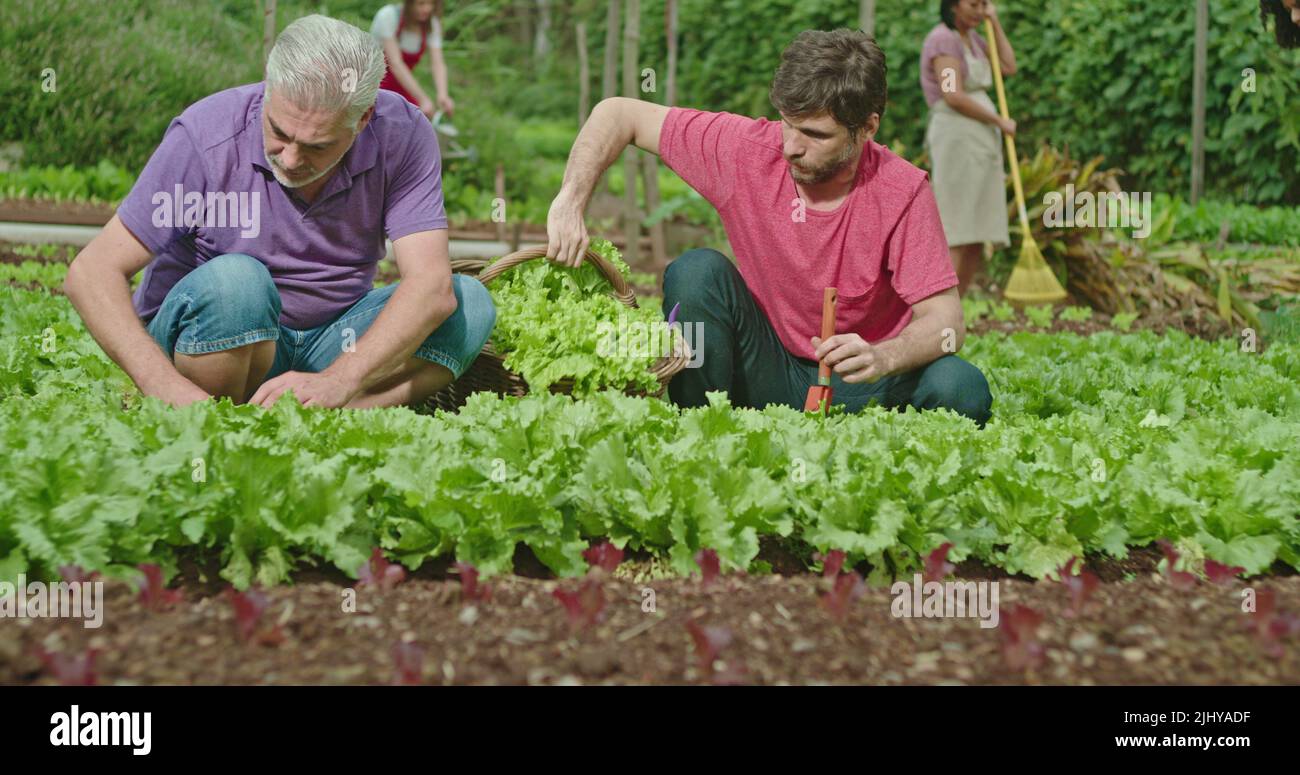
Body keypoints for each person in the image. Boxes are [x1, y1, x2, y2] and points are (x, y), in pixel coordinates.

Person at [544, 29, 994, 426]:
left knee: (960, 387)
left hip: (863, 385)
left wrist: (883, 356)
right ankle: (699, 430)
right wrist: (569, 200)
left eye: (816, 135)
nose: (792, 148)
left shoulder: (902, 190)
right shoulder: (746, 150)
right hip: (765, 369)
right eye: (788, 125)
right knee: (697, 272)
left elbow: (945, 320)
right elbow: (618, 112)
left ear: (867, 128)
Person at [63, 15, 494, 409]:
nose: (289, 159)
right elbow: (92, 272)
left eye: (317, 145)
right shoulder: (206, 136)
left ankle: (334, 413)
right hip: (210, 341)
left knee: (468, 303)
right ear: (269, 90)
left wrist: (338, 380)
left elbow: (429, 286)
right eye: (279, 132)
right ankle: (212, 422)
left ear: (363, 119)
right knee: (238, 284)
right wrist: (165, 387)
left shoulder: (403, 135)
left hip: (330, 344)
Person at [921, 0, 1017, 296]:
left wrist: (995, 23)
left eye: (984, 4)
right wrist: (998, 121)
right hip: (957, 140)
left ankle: (959, 305)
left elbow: (1008, 67)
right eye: (973, 4)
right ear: (952, 6)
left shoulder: (974, 40)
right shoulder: (943, 40)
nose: (979, 10)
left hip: (980, 142)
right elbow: (952, 95)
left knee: (977, 229)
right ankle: (943, 305)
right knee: (959, 226)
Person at [371, 0, 455, 119]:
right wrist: (423, 99)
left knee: (417, 120)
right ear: (409, 3)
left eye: (431, 4)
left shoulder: (431, 24)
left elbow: (437, 63)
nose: (427, 9)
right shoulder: (388, 16)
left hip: (402, 86)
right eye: (421, 3)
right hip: (374, 84)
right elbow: (396, 63)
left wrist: (443, 95)